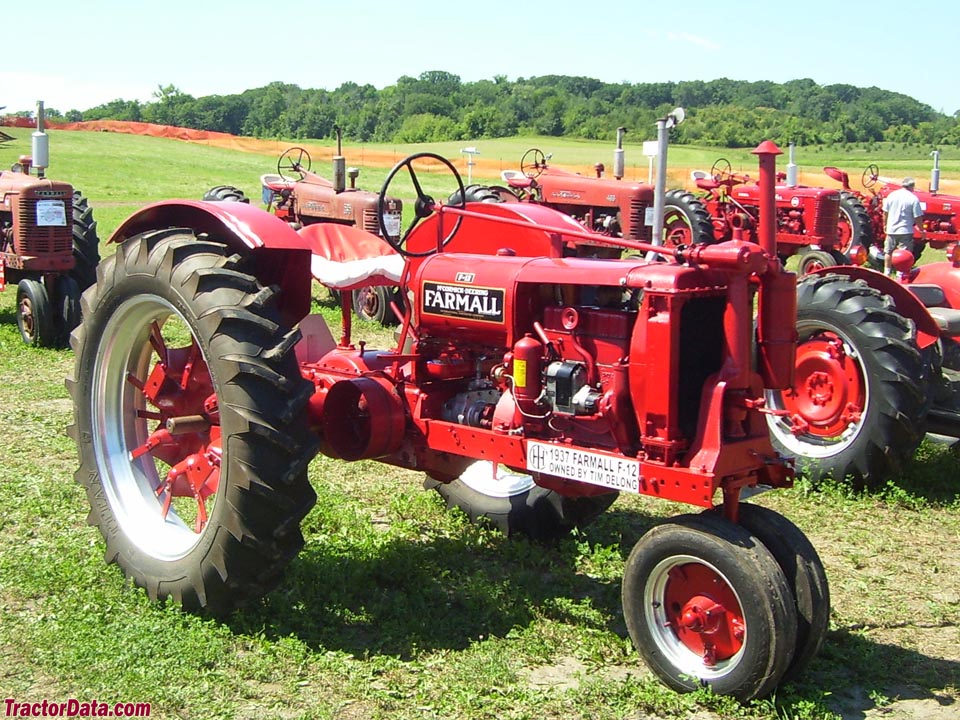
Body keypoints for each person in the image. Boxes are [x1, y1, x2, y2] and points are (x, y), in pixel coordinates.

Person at [882, 177, 925, 273]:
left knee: (888, 252)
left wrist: (885, 225)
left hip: (891, 229)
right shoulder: (913, 198)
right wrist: (921, 230)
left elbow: (885, 213)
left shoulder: (892, 195)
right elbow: (918, 217)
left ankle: (887, 272)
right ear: (912, 186)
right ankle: (900, 273)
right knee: (904, 254)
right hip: (905, 230)